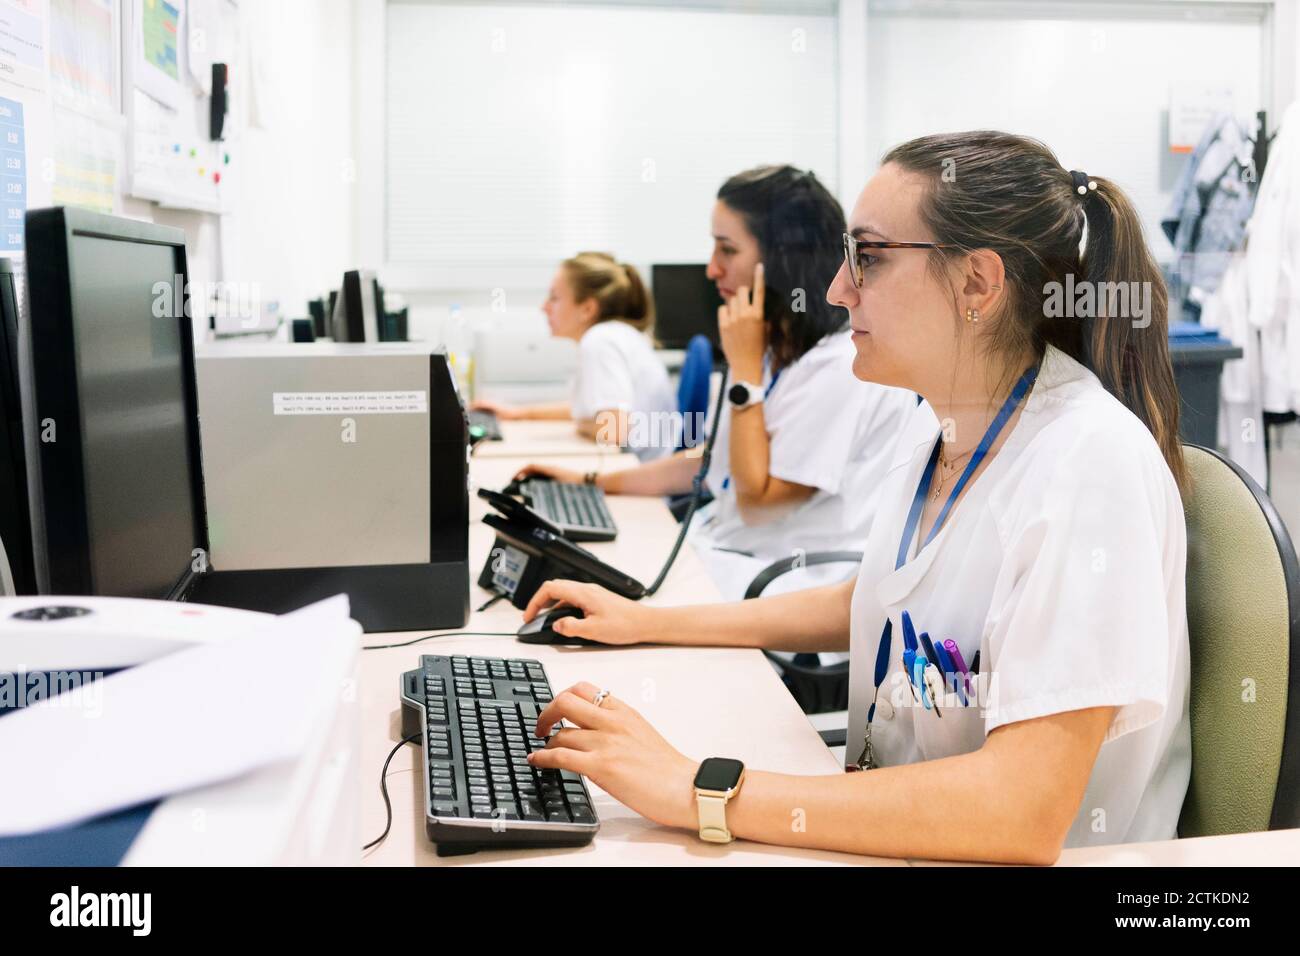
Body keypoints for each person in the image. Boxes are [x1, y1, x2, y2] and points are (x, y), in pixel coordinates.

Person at [515, 131, 1192, 864]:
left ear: (977, 285)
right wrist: (647, 622)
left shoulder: (1087, 464)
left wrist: (698, 790)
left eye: (867, 258)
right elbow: (870, 601)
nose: (839, 289)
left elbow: (1020, 813)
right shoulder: (942, 426)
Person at [517, 166, 916, 599]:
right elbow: (708, 465)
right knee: (562, 568)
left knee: (586, 594)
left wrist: (744, 374)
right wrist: (587, 481)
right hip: (725, 554)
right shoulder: (777, 352)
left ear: (781, 259)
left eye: (727, 250)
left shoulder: (840, 367)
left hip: (780, 583)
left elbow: (757, 503)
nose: (711, 269)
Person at [471, 252, 676, 461]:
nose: (544, 307)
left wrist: (580, 425)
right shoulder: (610, 335)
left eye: (554, 297)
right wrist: (519, 413)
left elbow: (614, 431)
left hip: (643, 476)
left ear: (587, 309)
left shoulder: (600, 341)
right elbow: (587, 409)